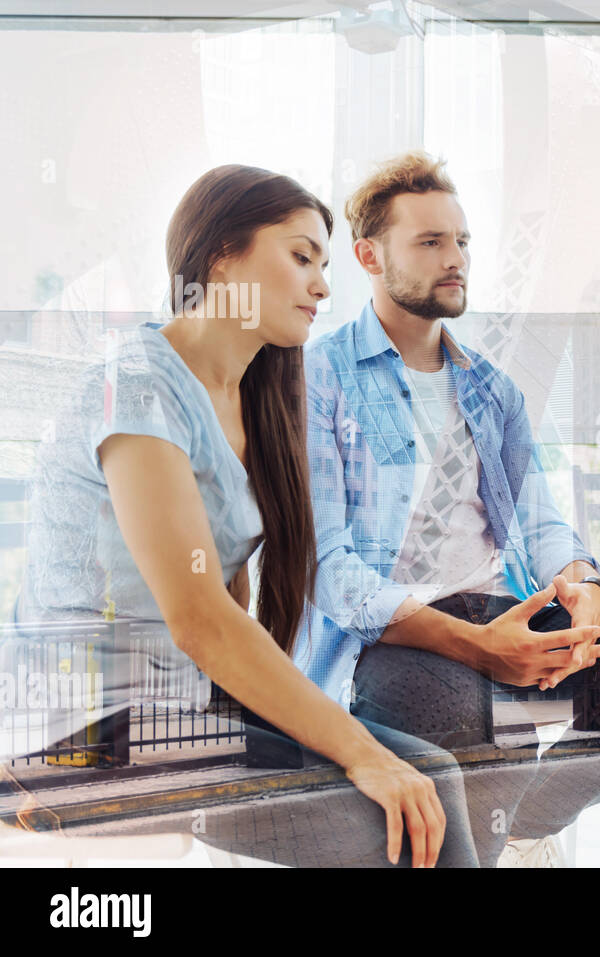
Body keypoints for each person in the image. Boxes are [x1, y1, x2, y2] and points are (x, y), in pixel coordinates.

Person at [8, 165, 473, 868]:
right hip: (81, 724)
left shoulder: (256, 396)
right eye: (299, 256)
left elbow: (228, 588)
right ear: (222, 254)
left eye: (324, 263)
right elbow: (201, 618)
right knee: (395, 827)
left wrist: (326, 734)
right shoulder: (138, 383)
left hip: (181, 710)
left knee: (435, 776)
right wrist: (357, 752)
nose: (322, 285)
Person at [297, 151, 600, 867]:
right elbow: (327, 570)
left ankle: (509, 821)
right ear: (368, 255)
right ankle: (486, 827)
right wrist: (475, 647)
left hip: (503, 607)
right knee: (460, 712)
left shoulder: (492, 388)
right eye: (429, 242)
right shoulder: (321, 375)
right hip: (396, 636)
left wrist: (585, 586)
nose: (454, 258)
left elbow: (540, 522)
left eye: (461, 241)